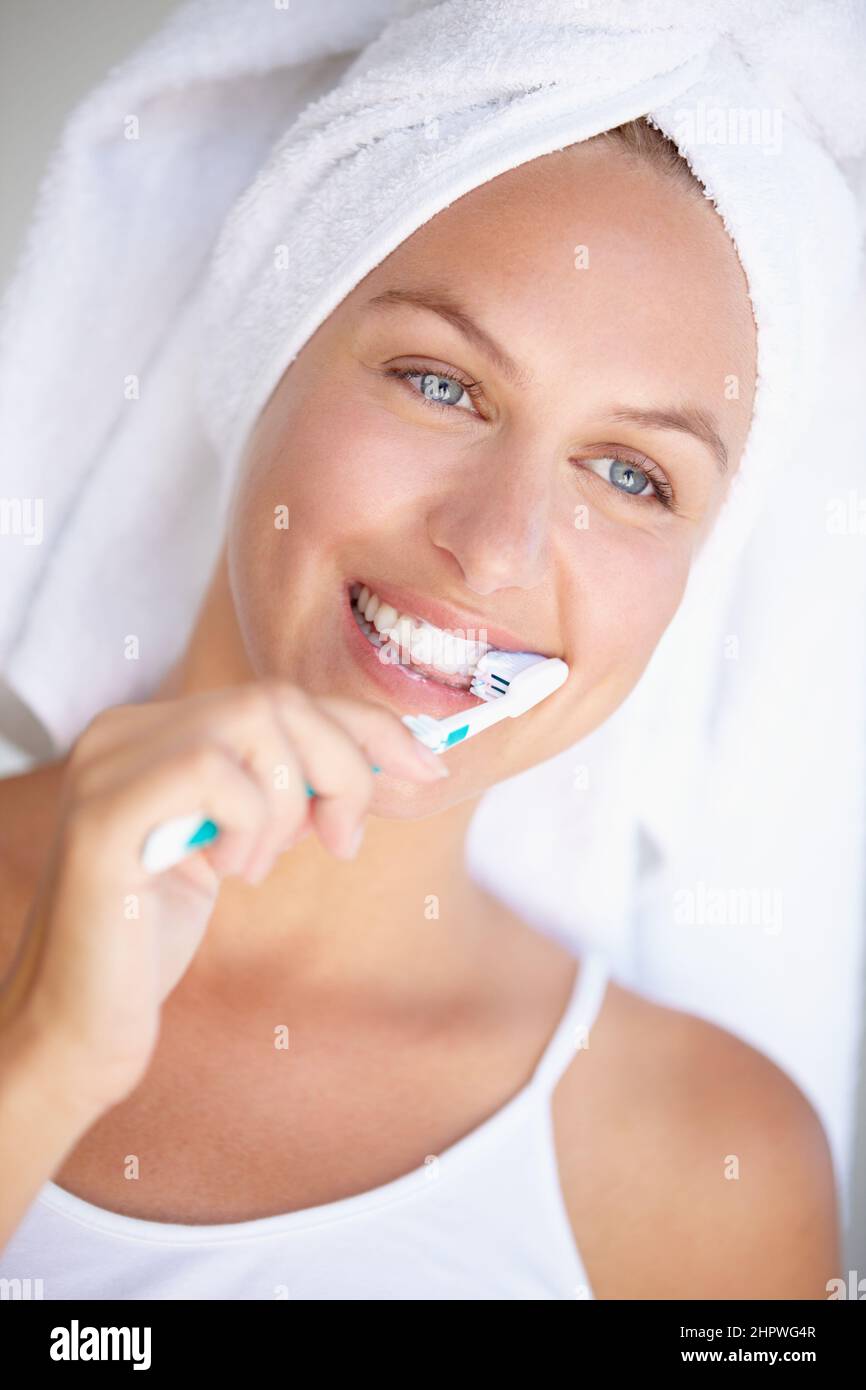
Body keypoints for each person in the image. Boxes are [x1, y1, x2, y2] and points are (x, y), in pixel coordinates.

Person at [0, 120, 840, 1300]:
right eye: (441, 384)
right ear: (266, 353)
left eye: (629, 474)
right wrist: (41, 1062)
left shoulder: (709, 1164)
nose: (493, 547)